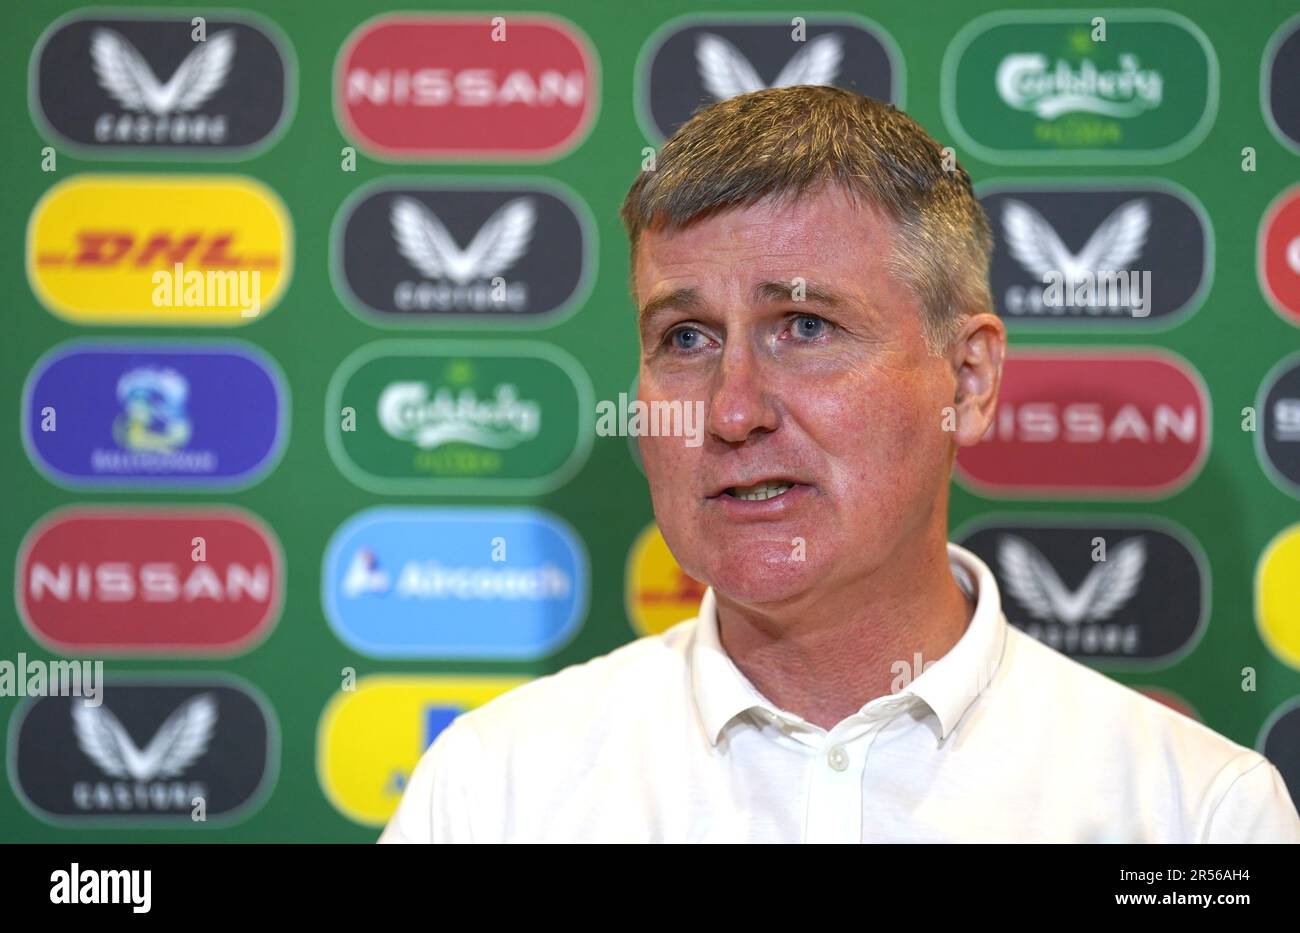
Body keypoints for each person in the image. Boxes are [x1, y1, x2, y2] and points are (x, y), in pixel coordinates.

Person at [379, 85, 1300, 843]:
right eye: (686, 336)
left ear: (969, 378)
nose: (733, 410)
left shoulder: (1196, 819)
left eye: (805, 327)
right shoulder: (487, 794)